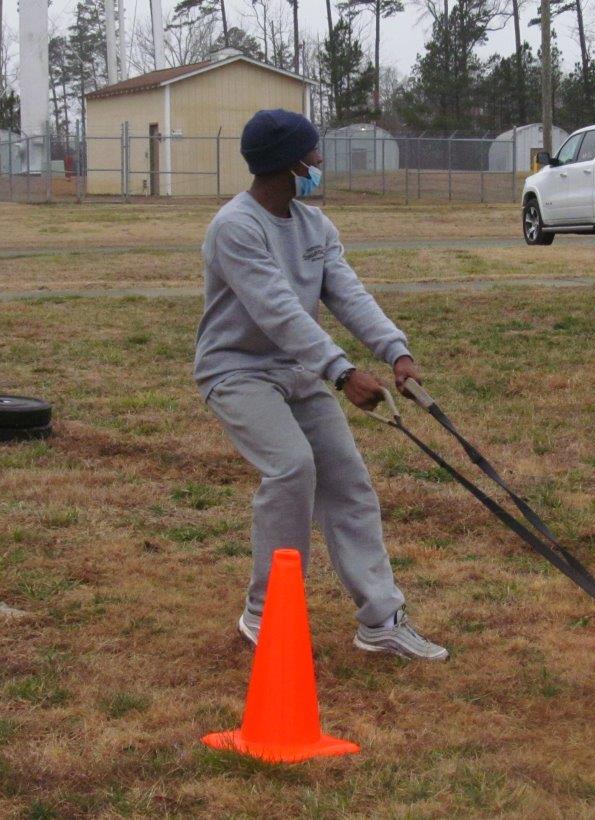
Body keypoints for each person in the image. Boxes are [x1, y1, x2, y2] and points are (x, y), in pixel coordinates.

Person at [194, 109, 448, 661]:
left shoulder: (315, 226)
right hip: (237, 371)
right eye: (312, 154)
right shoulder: (235, 228)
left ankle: (382, 620)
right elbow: (278, 312)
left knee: (348, 481)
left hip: (298, 371)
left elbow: (349, 295)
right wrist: (341, 371)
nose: (319, 163)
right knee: (291, 467)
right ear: (287, 165)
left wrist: (395, 351)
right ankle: (266, 612)